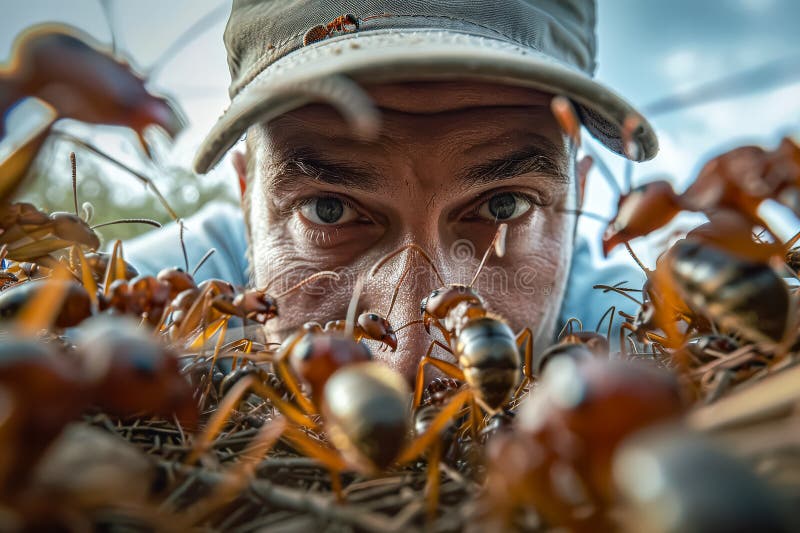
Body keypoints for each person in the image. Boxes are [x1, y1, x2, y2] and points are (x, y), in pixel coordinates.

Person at [126, 0, 657, 383]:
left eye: (503, 206)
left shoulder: (639, 324)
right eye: (328, 210)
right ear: (247, 204)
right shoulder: (159, 297)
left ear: (577, 204)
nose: (409, 366)